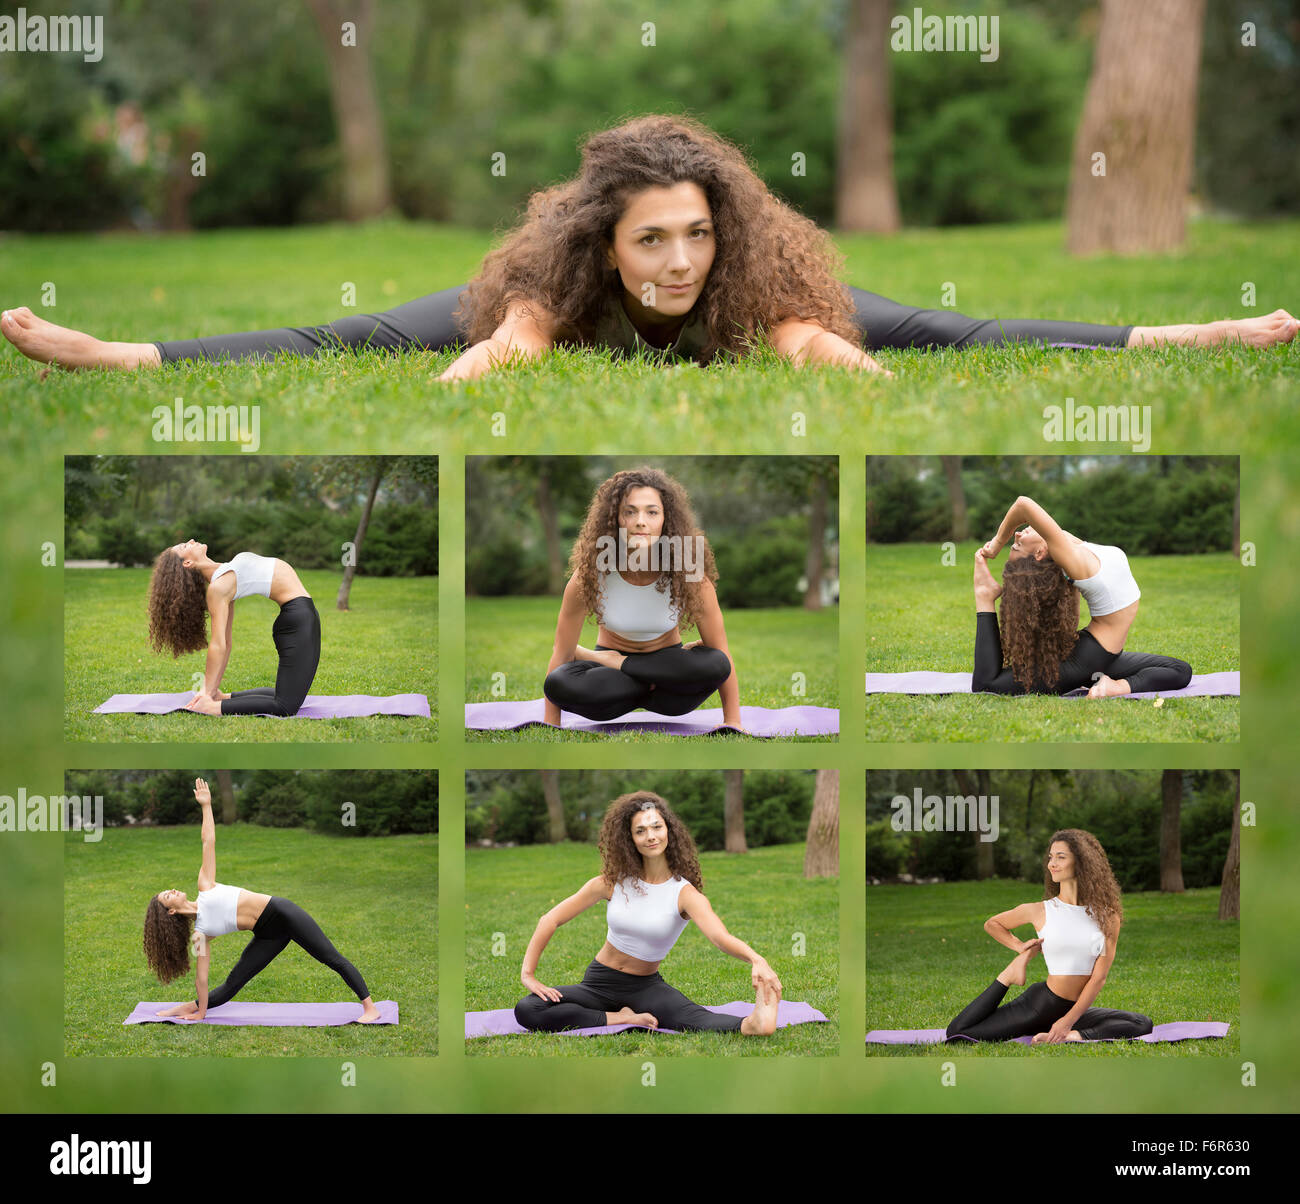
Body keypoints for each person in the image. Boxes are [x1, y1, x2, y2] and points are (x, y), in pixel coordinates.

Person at [6, 115, 1295, 378]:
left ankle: (1210, 328)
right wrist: (513, 338)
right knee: (344, 335)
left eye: (693, 234)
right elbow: (506, 345)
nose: (676, 261)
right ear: (605, 246)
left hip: (788, 307)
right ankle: (124, 350)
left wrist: (821, 348)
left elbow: (808, 340)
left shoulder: (760, 283)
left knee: (968, 334)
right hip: (532, 298)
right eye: (651, 242)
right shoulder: (557, 282)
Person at [513, 791, 781, 1034]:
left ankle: (754, 1023)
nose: (651, 836)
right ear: (629, 838)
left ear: (669, 831)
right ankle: (620, 1018)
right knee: (529, 1009)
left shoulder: (685, 894)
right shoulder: (612, 882)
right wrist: (528, 974)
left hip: (645, 987)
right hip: (597, 983)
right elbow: (551, 919)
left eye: (656, 827)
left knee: (695, 1019)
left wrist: (756, 959)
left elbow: (720, 938)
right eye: (640, 831)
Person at [143, 778, 381, 1022]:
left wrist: (206, 805)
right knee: (233, 984)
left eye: (168, 890)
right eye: (167, 896)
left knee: (331, 958)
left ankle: (370, 1007)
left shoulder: (205, 885)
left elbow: (208, 840)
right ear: (170, 912)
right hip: (267, 934)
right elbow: (201, 977)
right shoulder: (200, 934)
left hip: (282, 914)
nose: (171, 890)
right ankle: (189, 1007)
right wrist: (201, 1013)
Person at [541, 466, 740, 728]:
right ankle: (617, 665)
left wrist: (733, 721)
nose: (640, 521)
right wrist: (551, 722)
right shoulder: (590, 574)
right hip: (613, 684)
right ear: (615, 519)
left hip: (668, 682)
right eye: (630, 511)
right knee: (559, 681)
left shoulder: (689, 575)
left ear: (666, 519)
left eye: (652, 512)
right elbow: (562, 653)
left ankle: (618, 662)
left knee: (715, 663)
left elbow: (721, 653)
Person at [945, 828, 1153, 1044]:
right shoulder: (1041, 910)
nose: (1052, 863)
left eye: (1060, 857)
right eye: (1051, 857)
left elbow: (1098, 978)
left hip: (1074, 1010)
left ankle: (1071, 1037)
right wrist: (1019, 947)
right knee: (960, 1033)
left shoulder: (1108, 918)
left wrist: (1067, 1025)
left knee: (1141, 1023)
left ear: (1082, 862)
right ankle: (1010, 974)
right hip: (1040, 1005)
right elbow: (993, 924)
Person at [971, 495, 1193, 696]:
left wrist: (1002, 540)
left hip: (1097, 655)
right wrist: (998, 542)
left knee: (1180, 670)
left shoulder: (1070, 545)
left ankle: (1113, 686)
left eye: (1015, 541)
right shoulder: (1070, 559)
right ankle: (985, 596)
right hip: (1088, 659)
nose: (1017, 533)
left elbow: (1026, 511)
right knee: (987, 684)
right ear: (1040, 553)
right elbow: (1023, 504)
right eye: (1018, 544)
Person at [147, 539, 321, 716]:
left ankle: (222, 698)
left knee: (280, 696)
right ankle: (212, 708)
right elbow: (219, 644)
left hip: (300, 618)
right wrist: (206, 692)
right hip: (298, 622)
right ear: (188, 563)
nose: (191, 541)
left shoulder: (223, 575)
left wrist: (213, 691)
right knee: (285, 708)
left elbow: (227, 643)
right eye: (185, 546)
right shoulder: (219, 587)